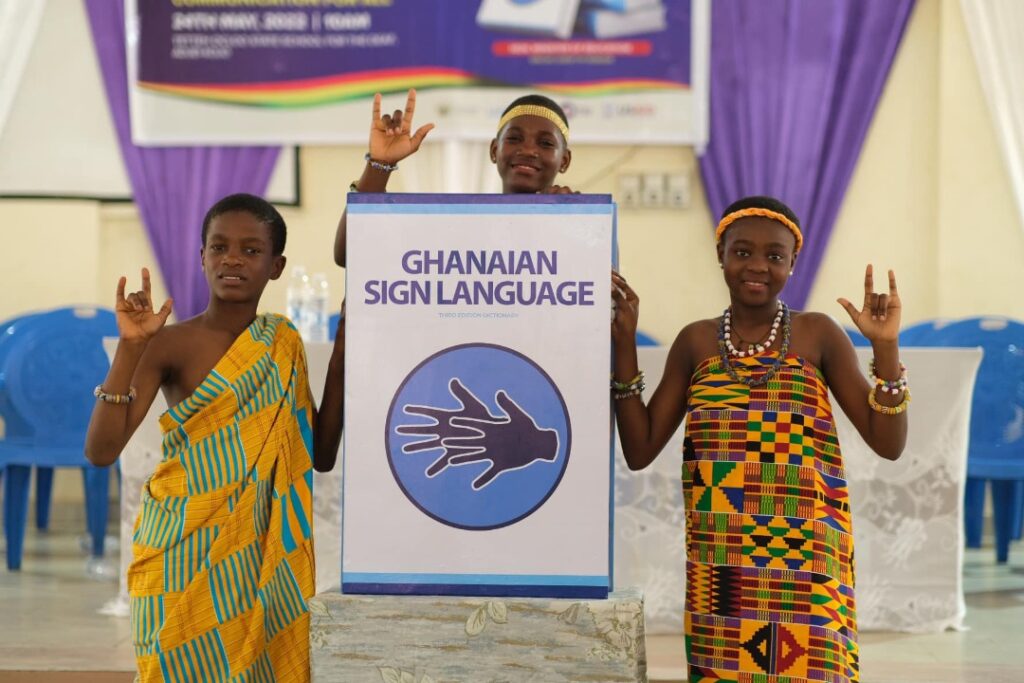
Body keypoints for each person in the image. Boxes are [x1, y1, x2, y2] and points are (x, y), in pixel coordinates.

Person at [610, 196, 908, 683]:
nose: (757, 266)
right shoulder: (695, 342)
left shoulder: (818, 335)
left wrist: (886, 348)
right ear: (721, 255)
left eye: (774, 256)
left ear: (793, 263)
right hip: (722, 563)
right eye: (743, 251)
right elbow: (639, 450)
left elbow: (888, 443)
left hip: (806, 560)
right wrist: (625, 342)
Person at [84, 193, 345, 682]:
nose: (233, 259)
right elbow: (100, 451)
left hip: (258, 558)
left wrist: (343, 350)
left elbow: (321, 454)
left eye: (251, 250)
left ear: (275, 266)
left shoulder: (282, 342)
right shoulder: (169, 342)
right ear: (201, 257)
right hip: (178, 544)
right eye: (220, 247)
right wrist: (130, 348)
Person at [333, 89, 578, 266]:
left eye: (546, 143)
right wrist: (380, 164)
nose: (528, 150)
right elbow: (351, 255)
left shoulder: (580, 223)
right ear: (495, 150)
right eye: (514, 138)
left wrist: (573, 223)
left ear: (564, 160)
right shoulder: (458, 224)